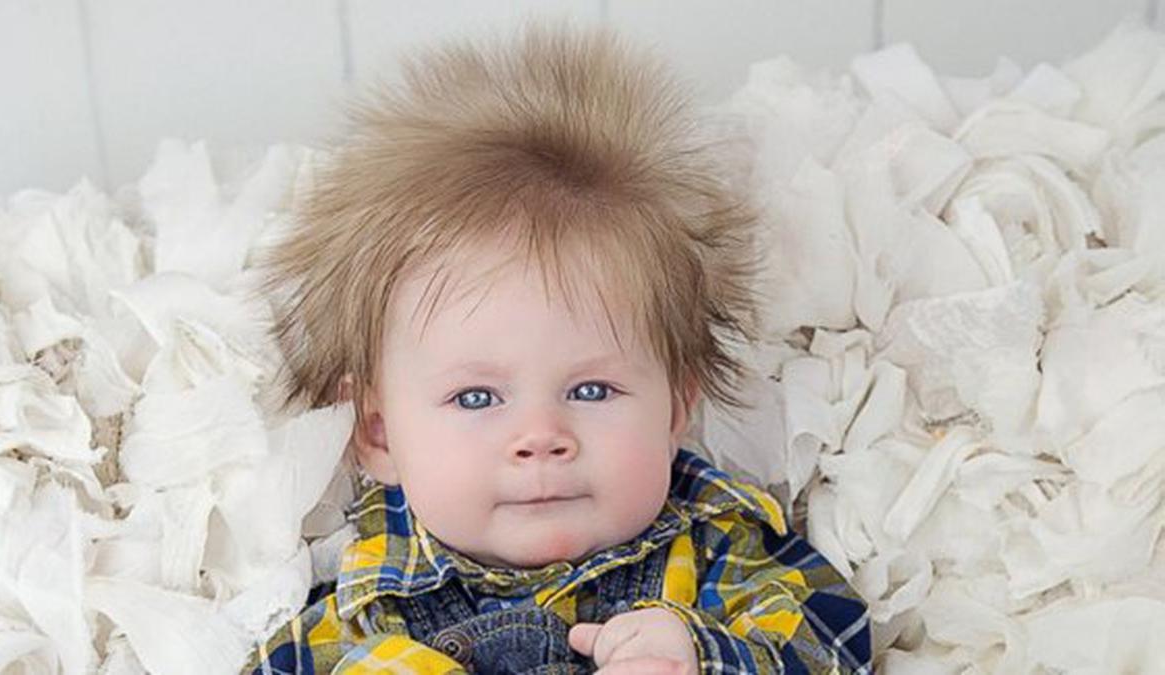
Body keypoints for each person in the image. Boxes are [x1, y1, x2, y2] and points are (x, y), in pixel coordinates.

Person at [243, 22, 871, 674]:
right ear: (379, 433)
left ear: (675, 409)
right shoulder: (365, 596)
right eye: (476, 397)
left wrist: (699, 656)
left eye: (591, 390)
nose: (541, 437)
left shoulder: (716, 547)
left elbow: (835, 644)